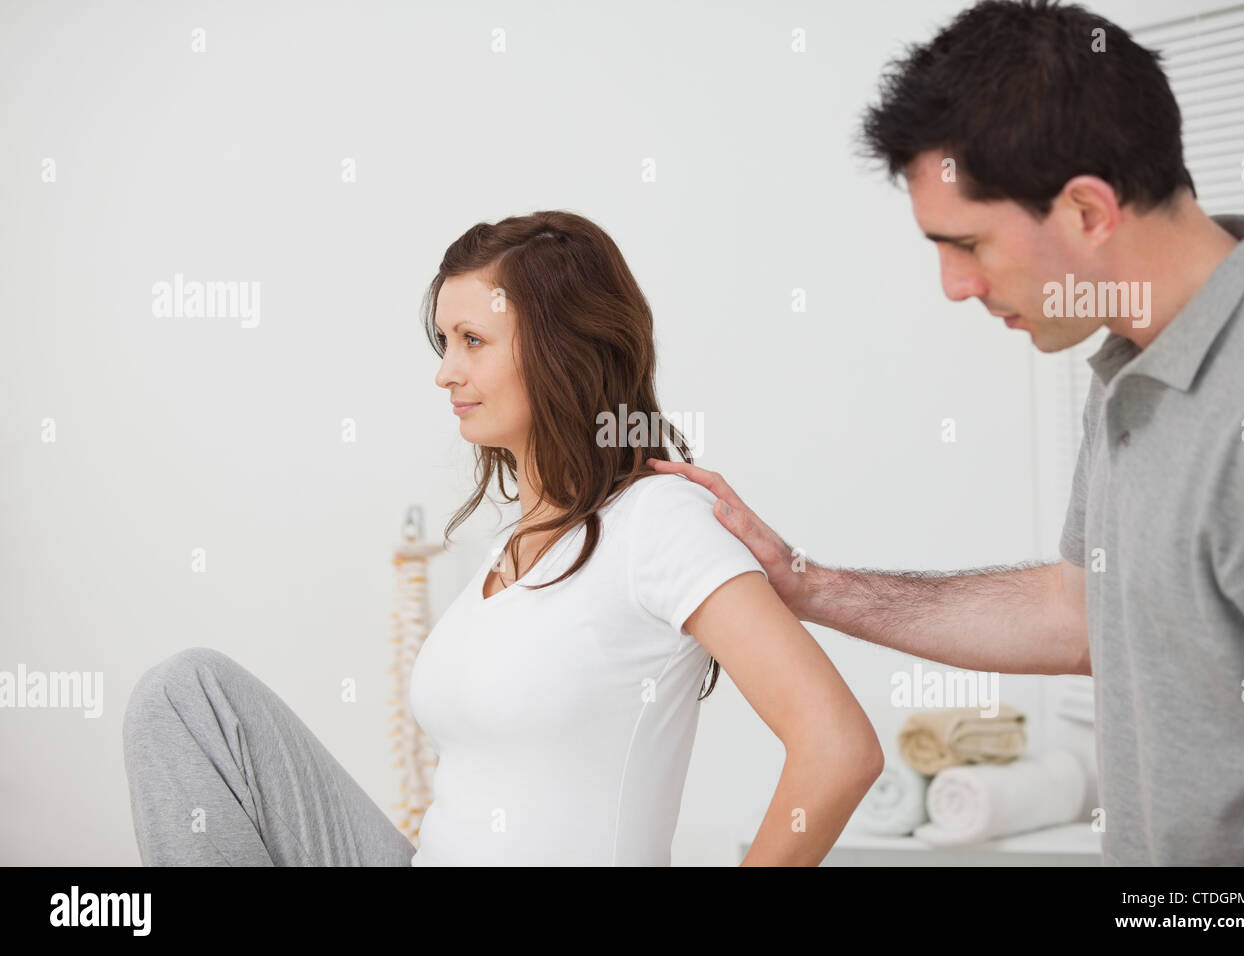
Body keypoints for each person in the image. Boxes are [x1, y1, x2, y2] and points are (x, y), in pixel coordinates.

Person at [653, 0, 1244, 866]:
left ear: (1087, 212)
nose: (955, 285)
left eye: (967, 244)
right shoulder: (1129, 374)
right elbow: (1077, 616)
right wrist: (812, 585)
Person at [121, 210, 883, 867]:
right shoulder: (508, 548)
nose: (446, 372)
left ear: (563, 349)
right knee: (187, 695)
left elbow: (837, 747)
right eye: (443, 342)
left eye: (473, 340)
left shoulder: (659, 521)